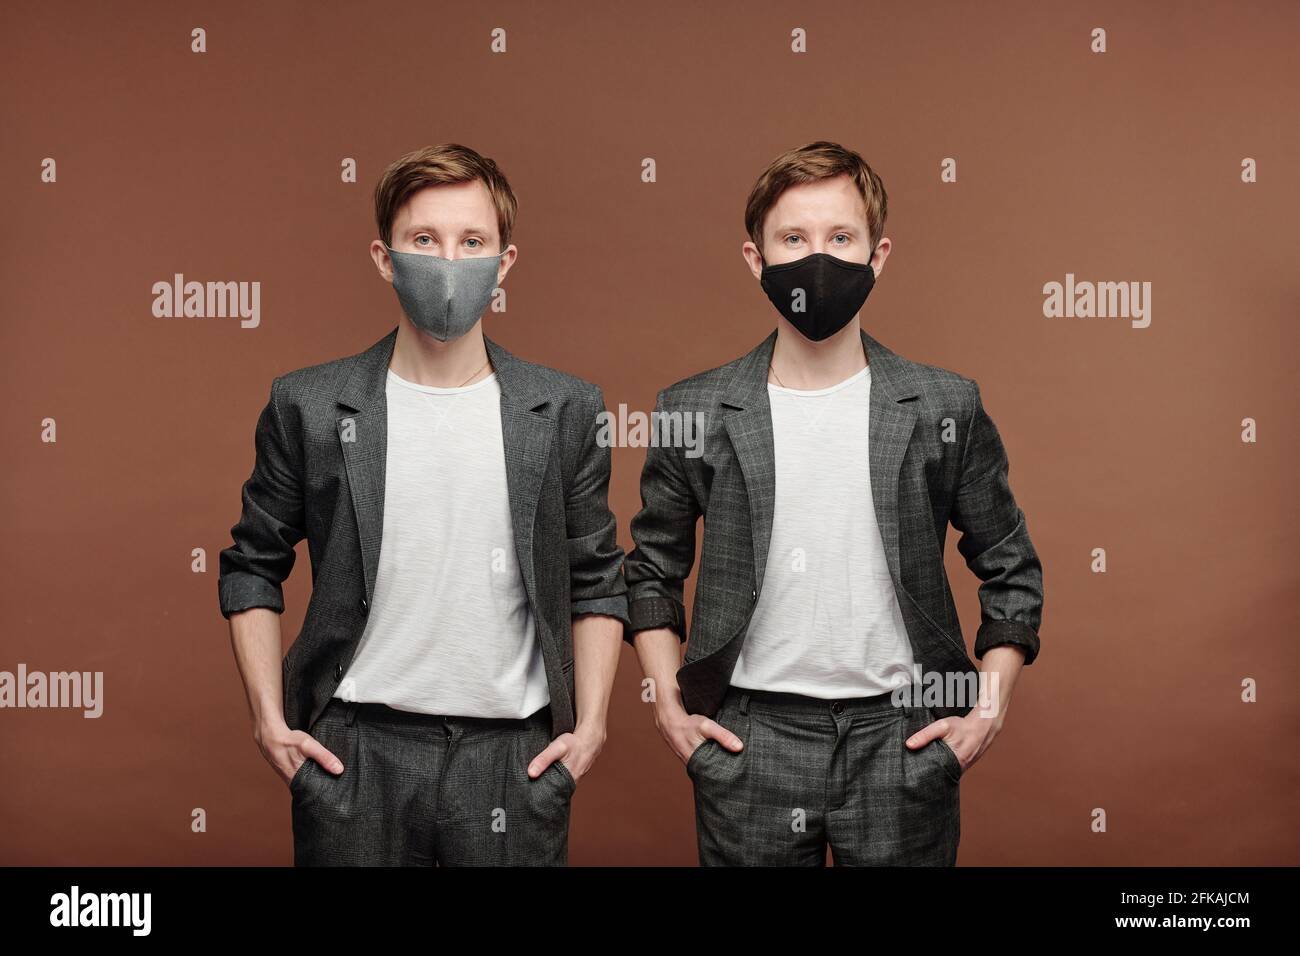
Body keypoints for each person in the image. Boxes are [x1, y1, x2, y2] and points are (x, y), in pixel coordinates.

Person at [623, 141, 1044, 865]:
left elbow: (1010, 569)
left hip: (904, 740)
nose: (817, 257)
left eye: (840, 238)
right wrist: (667, 704)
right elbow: (651, 572)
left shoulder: (944, 405)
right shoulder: (692, 410)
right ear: (756, 259)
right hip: (747, 741)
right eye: (793, 238)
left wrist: (987, 708)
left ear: (877, 257)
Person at [218, 143, 627, 866]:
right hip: (354, 756)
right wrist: (267, 718)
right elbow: (252, 564)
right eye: (424, 240)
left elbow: (596, 574)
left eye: (472, 242)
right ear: (384, 258)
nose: (448, 262)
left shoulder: (564, 407)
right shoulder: (309, 405)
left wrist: (590, 724)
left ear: (504, 263)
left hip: (515, 759)